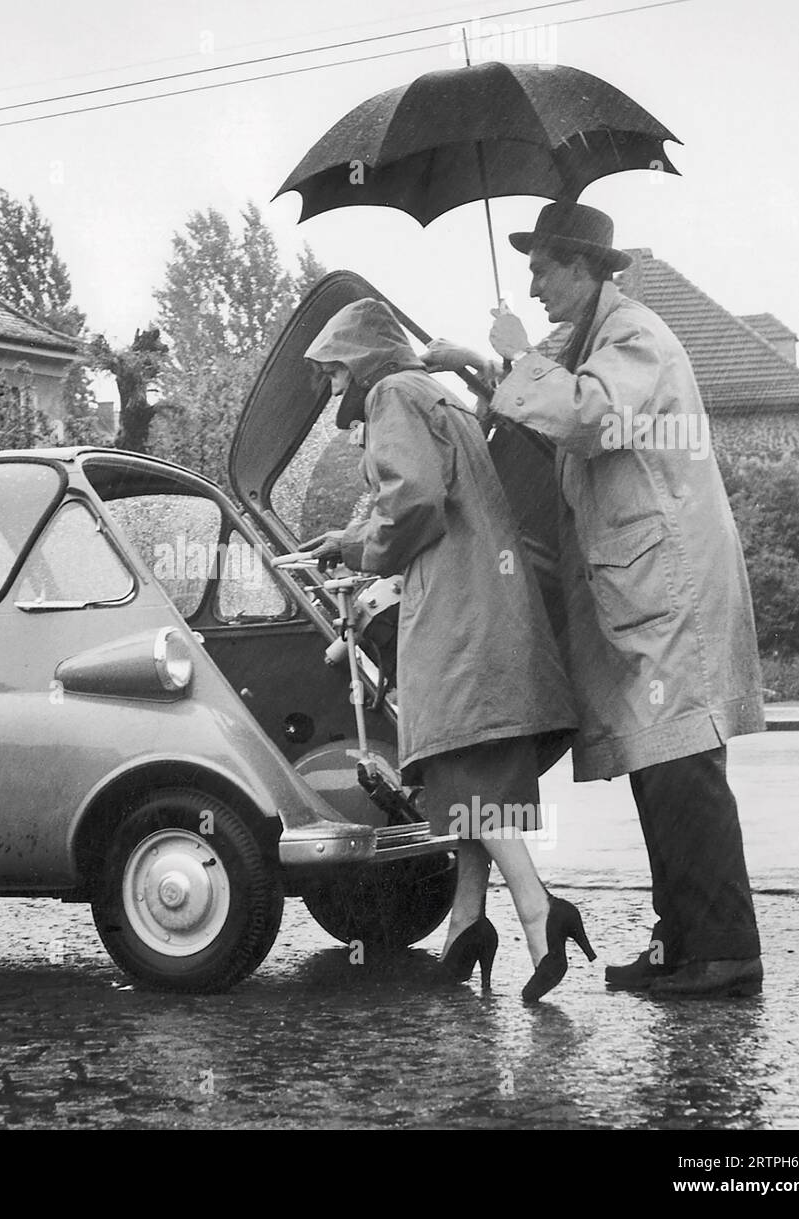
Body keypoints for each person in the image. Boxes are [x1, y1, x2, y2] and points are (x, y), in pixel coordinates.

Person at [426, 202, 765, 999]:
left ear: (584, 267)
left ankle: (722, 952)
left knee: (681, 764)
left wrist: (515, 355)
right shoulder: (594, 344)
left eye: (545, 266)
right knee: (659, 761)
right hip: (647, 584)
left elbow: (590, 416)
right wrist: (488, 369)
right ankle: (682, 942)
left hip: (668, 583)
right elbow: (560, 430)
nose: (534, 283)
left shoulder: (633, 335)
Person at [300, 297, 589, 1003]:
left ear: (362, 360)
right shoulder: (440, 395)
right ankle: (467, 923)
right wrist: (348, 540)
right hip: (493, 599)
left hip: (455, 604)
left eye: (336, 371)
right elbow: (437, 491)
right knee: (475, 767)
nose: (333, 388)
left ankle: (537, 911)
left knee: (461, 766)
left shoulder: (394, 393)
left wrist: (364, 550)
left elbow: (417, 501)